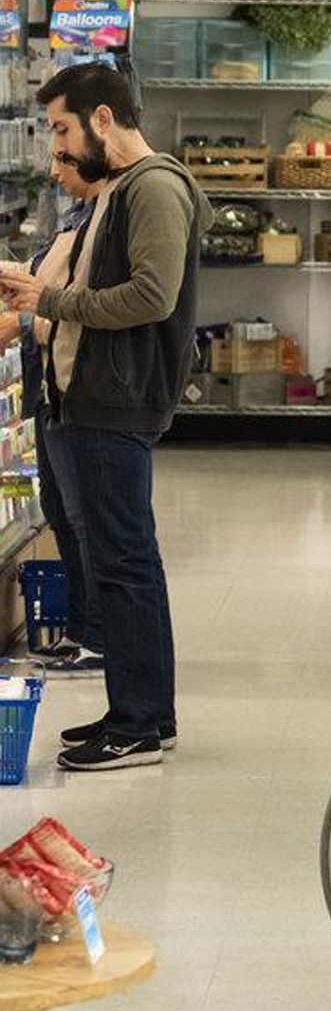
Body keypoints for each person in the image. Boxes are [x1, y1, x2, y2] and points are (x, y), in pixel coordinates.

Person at [0, 62, 213, 770]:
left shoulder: (153, 186)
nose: (57, 146)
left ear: (100, 119)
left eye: (62, 127)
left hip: (114, 402)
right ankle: (136, 712)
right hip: (87, 399)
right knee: (117, 561)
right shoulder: (118, 191)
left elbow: (152, 296)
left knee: (125, 564)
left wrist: (47, 302)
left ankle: (142, 723)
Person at [23, 159, 107, 674]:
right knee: (62, 513)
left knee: (83, 519)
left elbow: (65, 301)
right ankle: (80, 628)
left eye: (63, 149)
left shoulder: (102, 221)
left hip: (73, 387)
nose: (54, 167)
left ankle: (97, 635)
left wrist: (27, 309)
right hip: (46, 384)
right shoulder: (77, 215)